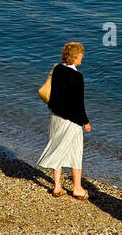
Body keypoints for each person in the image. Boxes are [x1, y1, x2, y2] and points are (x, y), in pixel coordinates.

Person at [37, 41, 91, 199]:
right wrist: (86, 122)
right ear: (75, 57)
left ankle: (57, 187)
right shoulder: (77, 76)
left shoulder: (57, 69)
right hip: (71, 120)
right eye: (81, 55)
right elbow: (79, 103)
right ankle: (77, 188)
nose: (82, 58)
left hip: (55, 116)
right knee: (75, 152)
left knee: (56, 146)